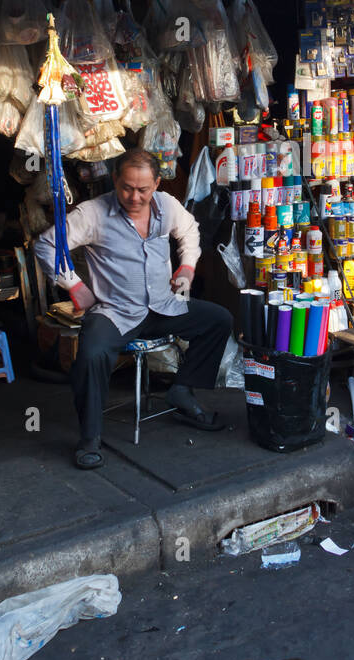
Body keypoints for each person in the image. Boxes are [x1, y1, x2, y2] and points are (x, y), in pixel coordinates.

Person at [34, 148, 232, 469]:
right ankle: (89, 436)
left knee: (219, 320)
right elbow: (46, 245)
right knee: (91, 352)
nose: (134, 197)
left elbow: (191, 231)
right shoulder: (93, 214)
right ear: (115, 180)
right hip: (115, 312)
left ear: (156, 183)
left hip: (163, 306)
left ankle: (182, 391)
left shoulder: (167, 205)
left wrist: (187, 267)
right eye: (126, 187)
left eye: (143, 189)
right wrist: (74, 285)